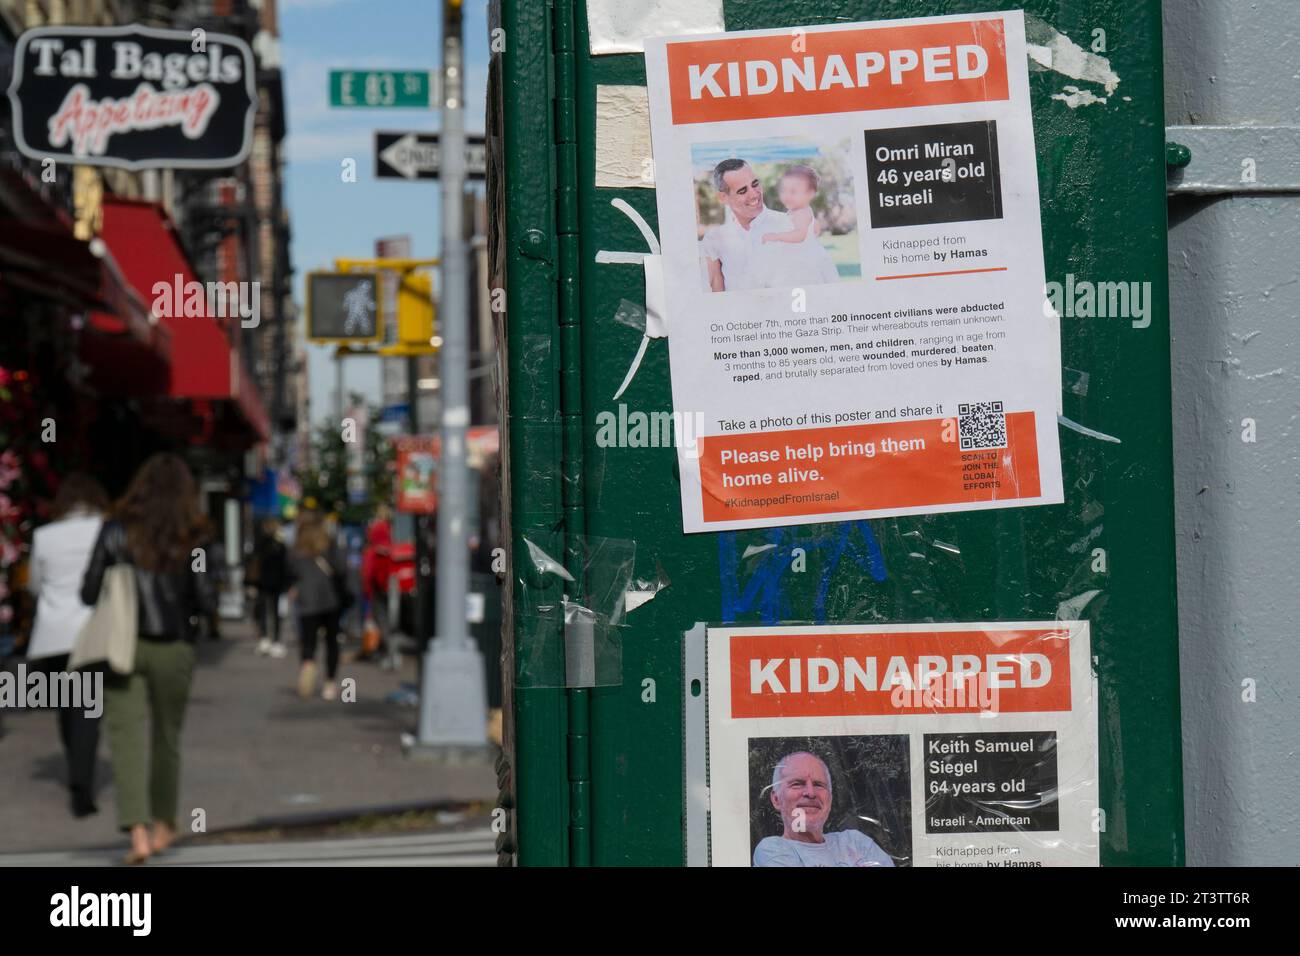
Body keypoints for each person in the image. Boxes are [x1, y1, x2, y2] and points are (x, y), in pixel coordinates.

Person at [80, 453, 215, 864]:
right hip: (174, 645)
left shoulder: (115, 529)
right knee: (167, 738)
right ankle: (163, 825)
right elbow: (206, 597)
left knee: (125, 738)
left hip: (123, 644)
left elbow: (87, 591)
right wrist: (191, 621)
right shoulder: (196, 533)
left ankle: (136, 833)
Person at [26, 473, 110, 818]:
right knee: (89, 711)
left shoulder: (43, 536)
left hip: (53, 634)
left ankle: (75, 766)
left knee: (66, 706)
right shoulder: (104, 530)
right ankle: (82, 784)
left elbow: (34, 585)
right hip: (91, 631)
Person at [753, 750, 895, 867]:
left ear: (830, 799)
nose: (810, 792)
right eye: (798, 783)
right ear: (776, 799)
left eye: (818, 784)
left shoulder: (855, 842)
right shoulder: (771, 850)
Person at [699, 158, 793, 292]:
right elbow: (717, 292)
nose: (754, 194)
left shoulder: (788, 224)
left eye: (755, 184)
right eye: (742, 191)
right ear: (723, 197)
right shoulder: (714, 239)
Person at [286, 510, 343, 700]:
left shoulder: (296, 550)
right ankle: (330, 683)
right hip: (330, 600)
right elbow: (341, 568)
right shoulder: (328, 544)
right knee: (331, 642)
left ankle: (308, 667)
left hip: (307, 602)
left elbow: (290, 573)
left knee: (308, 641)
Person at [760, 164, 841, 286]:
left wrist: (776, 236)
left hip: (802, 264)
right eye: (784, 190)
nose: (787, 195)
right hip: (795, 259)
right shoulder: (798, 211)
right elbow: (813, 230)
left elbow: (800, 235)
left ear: (810, 194)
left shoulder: (802, 213)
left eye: (793, 191)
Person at [247, 518, 288, 658]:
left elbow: (252, 563)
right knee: (276, 613)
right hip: (276, 583)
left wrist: (251, 584)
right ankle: (275, 640)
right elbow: (285, 566)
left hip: (262, 583)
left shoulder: (259, 544)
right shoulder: (280, 545)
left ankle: (264, 639)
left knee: (263, 611)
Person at [360, 505, 394, 664]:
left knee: (378, 616)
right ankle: (383, 648)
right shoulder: (389, 531)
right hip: (386, 580)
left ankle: (384, 649)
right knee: (384, 615)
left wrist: (366, 585)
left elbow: (369, 566)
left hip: (377, 581)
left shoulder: (376, 533)